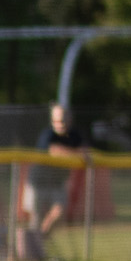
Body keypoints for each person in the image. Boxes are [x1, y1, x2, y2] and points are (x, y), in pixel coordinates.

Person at [25, 103, 86, 246]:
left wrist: (81, 154)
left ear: (70, 120)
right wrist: (76, 154)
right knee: (36, 219)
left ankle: (41, 240)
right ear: (52, 121)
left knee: (59, 212)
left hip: (57, 181)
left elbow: (85, 151)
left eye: (64, 120)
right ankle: (32, 250)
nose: (61, 124)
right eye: (57, 121)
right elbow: (54, 151)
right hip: (38, 182)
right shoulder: (48, 134)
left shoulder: (75, 135)